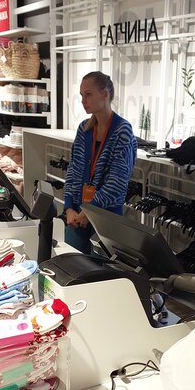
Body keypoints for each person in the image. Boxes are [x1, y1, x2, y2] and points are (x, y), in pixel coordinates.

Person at [63, 71, 137, 254]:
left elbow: (117, 182)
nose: (83, 100)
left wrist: (90, 211)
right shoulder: (84, 129)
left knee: (100, 267)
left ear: (105, 94)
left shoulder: (122, 131)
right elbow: (73, 170)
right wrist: (69, 207)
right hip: (78, 214)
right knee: (72, 262)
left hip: (106, 217)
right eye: (82, 95)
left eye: (88, 94)